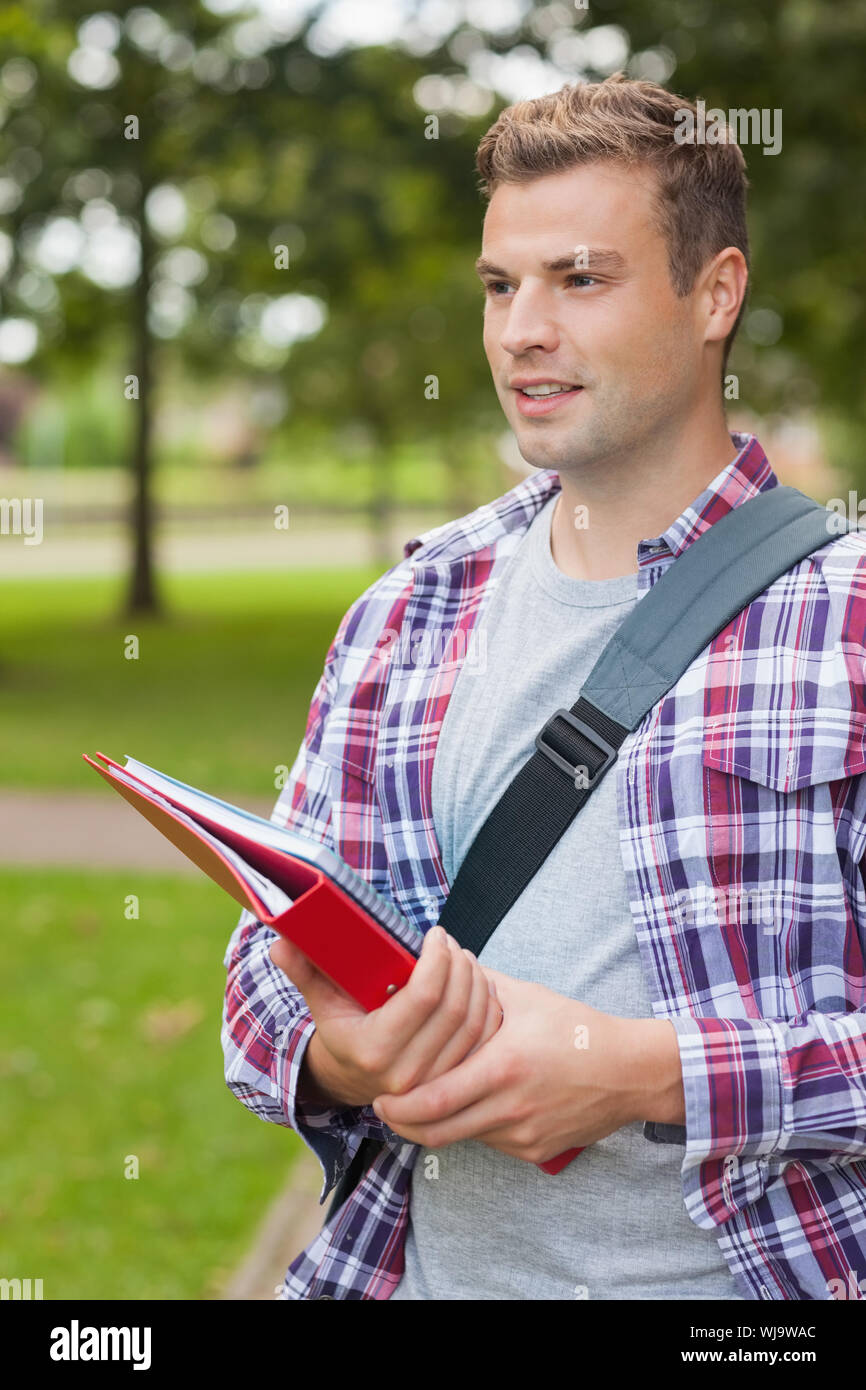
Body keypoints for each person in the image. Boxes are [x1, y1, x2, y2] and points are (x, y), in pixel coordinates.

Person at [221, 74, 866, 1301]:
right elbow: (261, 981)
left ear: (713, 293)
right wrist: (342, 1056)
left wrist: (648, 1071)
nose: (521, 329)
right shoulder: (406, 612)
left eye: (579, 279)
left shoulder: (846, 618)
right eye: (498, 286)